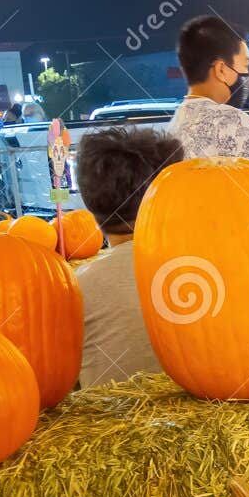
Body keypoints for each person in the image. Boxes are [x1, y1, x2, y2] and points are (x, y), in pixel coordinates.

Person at [73, 127, 186, 387]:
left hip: (105, 423)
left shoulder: (74, 288)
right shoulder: (205, 268)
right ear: (165, 193)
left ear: (89, 202)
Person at [169, 15, 249, 162]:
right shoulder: (235, 122)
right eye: (246, 66)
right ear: (221, 69)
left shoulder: (174, 124)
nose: (247, 75)